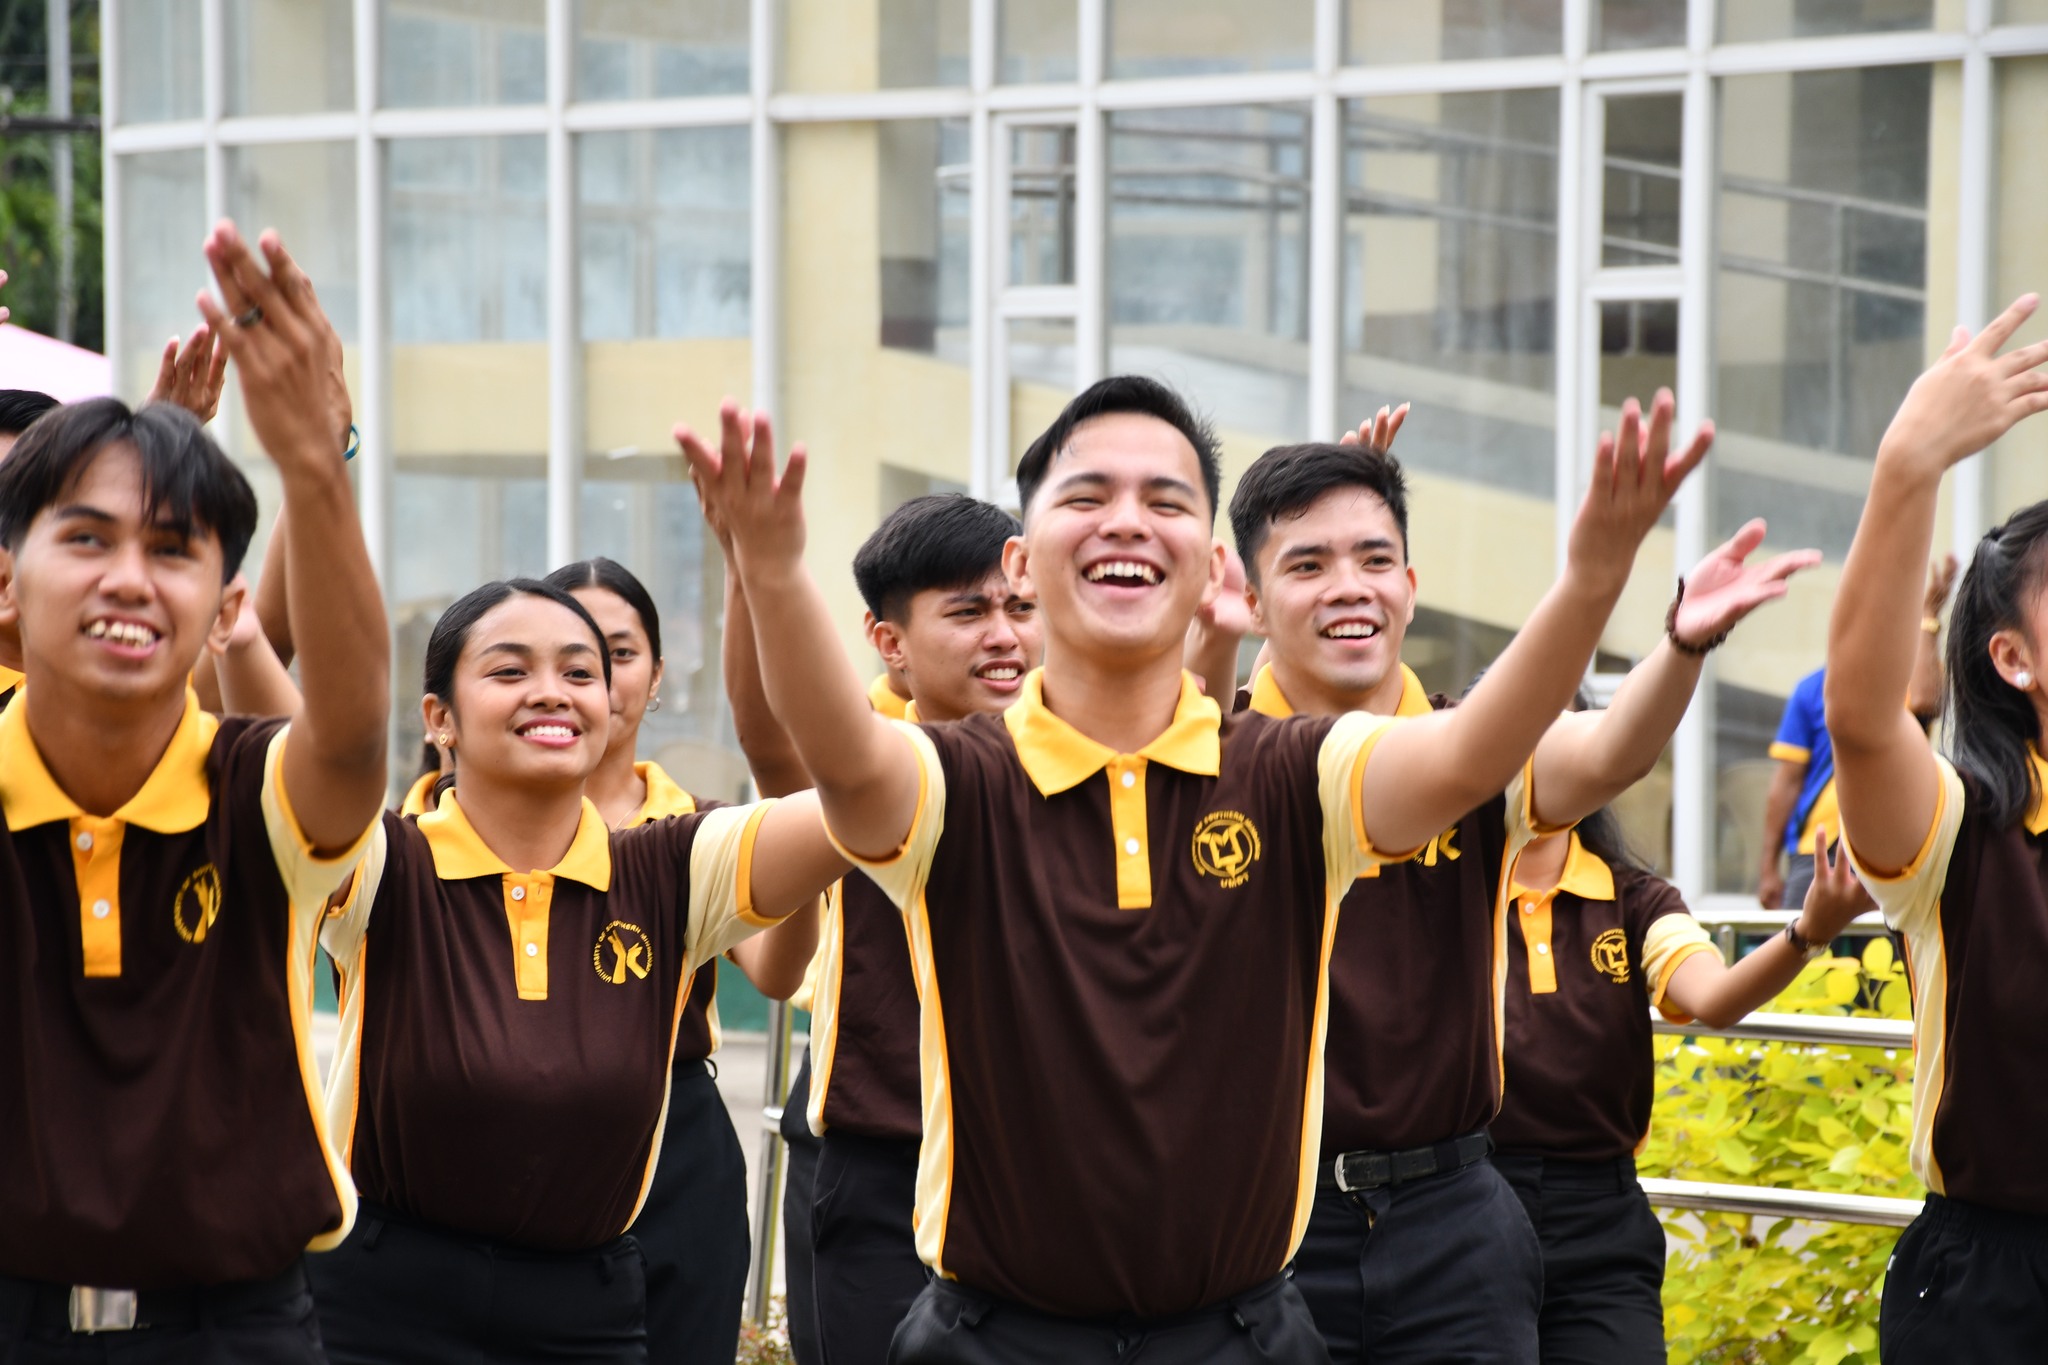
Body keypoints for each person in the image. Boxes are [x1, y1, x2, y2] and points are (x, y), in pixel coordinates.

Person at [681, 370, 1700, 1365]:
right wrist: (770, 570)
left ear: (1211, 567)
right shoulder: (953, 779)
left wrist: (1590, 579)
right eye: (1087, 497)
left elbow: (1473, 756)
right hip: (995, 1334)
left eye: (1165, 500)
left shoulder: (1294, 773)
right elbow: (832, 754)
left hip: (1243, 1329)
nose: (1127, 521)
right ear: (1023, 562)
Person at [1226, 410, 1813, 1365]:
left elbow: (1610, 749)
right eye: (1308, 565)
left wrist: (1679, 645)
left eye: (1375, 559)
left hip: (1453, 1217)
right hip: (1274, 1223)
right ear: (1252, 600)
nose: (1350, 587)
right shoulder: (1221, 763)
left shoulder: (1476, 749)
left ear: (1412, 585)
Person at [0, 221, 389, 1362]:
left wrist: (315, 463)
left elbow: (352, 737)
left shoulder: (258, 787)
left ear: (226, 605)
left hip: (234, 1329)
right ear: (8, 586)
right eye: (86, 538)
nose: (130, 576)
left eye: (174, 549)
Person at [308, 578, 847, 1365]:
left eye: (580, 671)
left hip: (585, 1309)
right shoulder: (388, 862)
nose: (551, 692)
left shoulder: (674, 862)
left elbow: (856, 792)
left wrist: (767, 567)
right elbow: (305, 754)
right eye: (509, 670)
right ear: (438, 718)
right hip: (379, 1303)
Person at [1492, 724, 1873, 1364]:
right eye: (1521, 731)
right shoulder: (1441, 892)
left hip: (1600, 1219)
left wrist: (1809, 930)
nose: (1540, 767)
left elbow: (1714, 998)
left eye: (1566, 740)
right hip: (1468, 1198)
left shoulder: (1635, 898)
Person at [1825, 293, 2048, 1360]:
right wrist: (1908, 465)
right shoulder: (1961, 828)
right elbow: (1863, 720)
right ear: (2013, 659)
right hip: (1993, 1288)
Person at [546, 554, 820, 1365]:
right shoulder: (463, 823)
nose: (597, 678)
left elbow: (776, 972)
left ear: (657, 675)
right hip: (522, 1138)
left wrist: (800, 876)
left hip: (679, 1144)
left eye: (620, 654)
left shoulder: (699, 829)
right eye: (573, 655)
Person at [803, 495, 1042, 1365]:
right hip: (884, 1165)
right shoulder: (866, 764)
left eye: (1022, 607)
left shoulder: (1094, 763)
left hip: (1044, 1168)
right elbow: (778, 728)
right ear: (889, 641)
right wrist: (762, 568)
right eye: (968, 612)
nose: (1004, 636)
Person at [1758, 558, 1952, 909]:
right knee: (1804, 940)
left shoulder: (1906, 681)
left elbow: (1928, 700)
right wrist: (1768, 867)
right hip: (1818, 851)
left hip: (1890, 847)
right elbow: (1786, 783)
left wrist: (1928, 616)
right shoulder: (1811, 689)